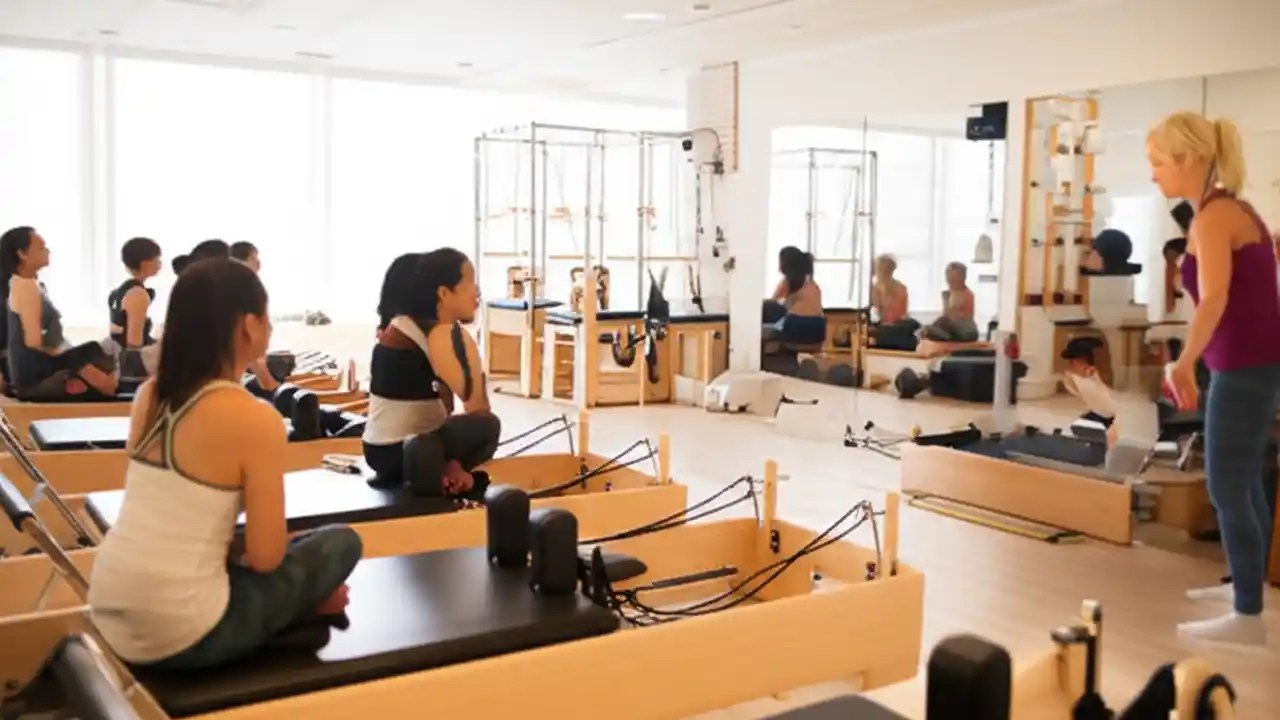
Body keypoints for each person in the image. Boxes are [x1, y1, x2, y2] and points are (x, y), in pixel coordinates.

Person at [88, 258, 361, 670]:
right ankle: (306, 606)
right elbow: (266, 558)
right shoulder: (255, 418)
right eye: (266, 318)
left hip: (108, 611)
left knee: (295, 546)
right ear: (248, 325)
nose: (268, 329)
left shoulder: (149, 396)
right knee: (341, 542)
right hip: (182, 633)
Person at [1149, 111, 1280, 645]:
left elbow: (1219, 297)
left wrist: (1183, 362)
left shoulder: (1215, 216)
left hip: (1247, 365)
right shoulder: (1222, 209)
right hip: (1244, 360)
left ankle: (1247, 616)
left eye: (1158, 162)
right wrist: (1195, 359)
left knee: (1227, 484)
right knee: (1244, 478)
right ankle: (1245, 589)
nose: (1154, 174)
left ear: (1188, 160)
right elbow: (1216, 301)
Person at [362, 249, 501, 498]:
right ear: (444, 293)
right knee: (488, 427)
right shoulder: (439, 337)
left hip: (377, 451)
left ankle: (450, 468)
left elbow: (442, 410)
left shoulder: (401, 327)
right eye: (469, 283)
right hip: (409, 452)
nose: (477, 292)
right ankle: (448, 471)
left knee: (454, 427)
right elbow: (478, 407)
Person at [1, 226, 118, 399]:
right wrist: (69, 356)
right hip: (34, 376)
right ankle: (109, 388)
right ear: (22, 254)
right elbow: (34, 341)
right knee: (83, 355)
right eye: (41, 248)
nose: (47, 251)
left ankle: (110, 386)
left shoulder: (31, 285)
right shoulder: (24, 287)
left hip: (34, 368)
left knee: (91, 350)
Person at [109, 237, 162, 379]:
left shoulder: (119, 291)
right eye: (157, 259)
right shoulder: (138, 294)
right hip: (129, 362)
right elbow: (133, 341)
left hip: (117, 356)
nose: (160, 264)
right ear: (145, 264)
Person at [762, 246, 825, 346]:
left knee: (767, 307)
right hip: (818, 330)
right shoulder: (812, 283)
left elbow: (772, 301)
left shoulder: (787, 282)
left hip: (795, 327)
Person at [922, 261, 979, 343]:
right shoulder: (949, 294)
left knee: (941, 322)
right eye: (949, 278)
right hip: (952, 330)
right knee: (934, 326)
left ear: (963, 278)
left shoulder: (966, 294)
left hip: (966, 332)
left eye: (954, 278)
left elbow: (958, 318)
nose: (950, 282)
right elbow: (946, 315)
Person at [870, 254, 909, 324]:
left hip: (896, 326)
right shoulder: (871, 289)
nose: (881, 273)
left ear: (891, 271)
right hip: (876, 325)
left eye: (885, 270)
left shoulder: (901, 289)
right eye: (879, 270)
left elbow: (902, 314)